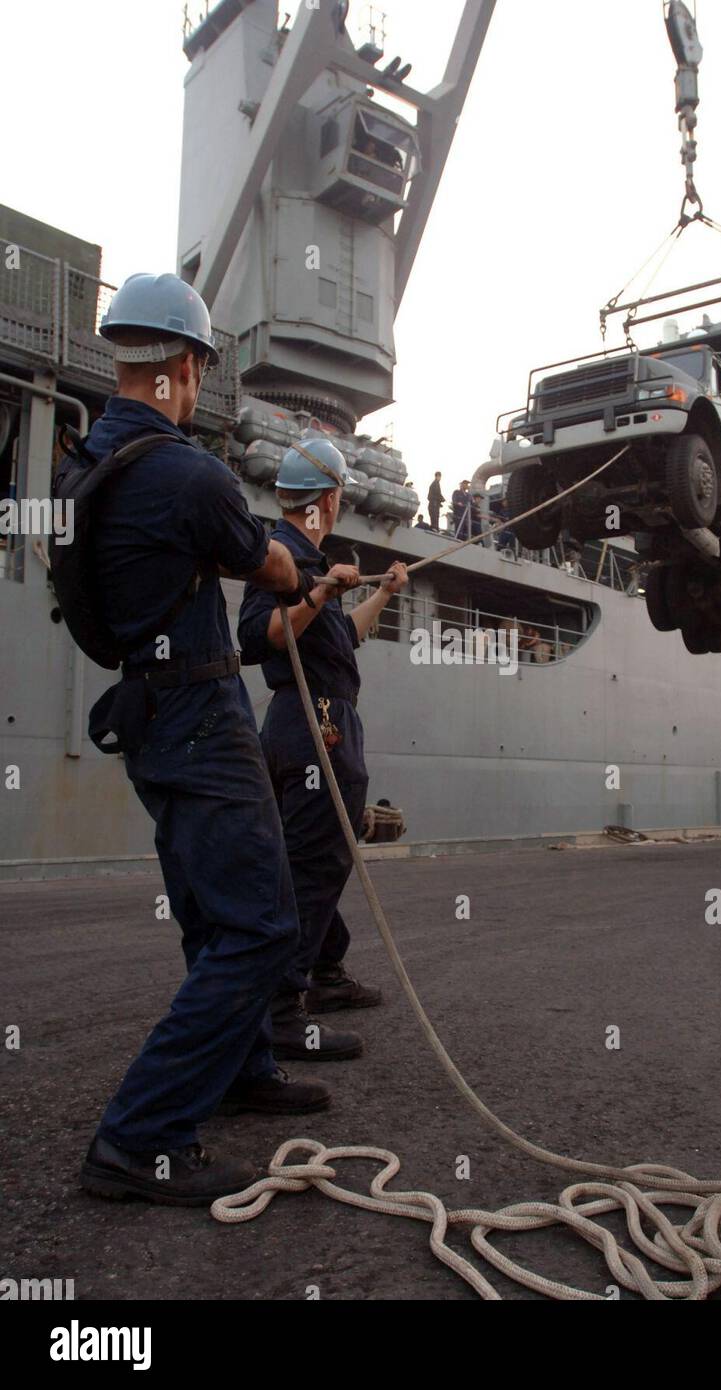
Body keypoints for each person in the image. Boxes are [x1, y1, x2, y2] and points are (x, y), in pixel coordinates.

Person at [77, 274, 327, 1208]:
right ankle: (139, 1137)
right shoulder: (185, 470)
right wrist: (296, 560)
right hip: (201, 719)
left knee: (207, 914)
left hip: (150, 717)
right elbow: (266, 561)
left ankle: (239, 1068)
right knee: (263, 925)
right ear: (183, 367)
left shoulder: (92, 464)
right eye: (199, 370)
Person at [238, 437, 408, 1061]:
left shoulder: (310, 558)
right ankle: (283, 1013)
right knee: (315, 863)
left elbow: (341, 639)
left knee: (311, 857)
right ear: (331, 498)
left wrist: (381, 594)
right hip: (316, 724)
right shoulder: (284, 558)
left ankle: (324, 973)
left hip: (304, 721)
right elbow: (262, 637)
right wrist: (318, 595)